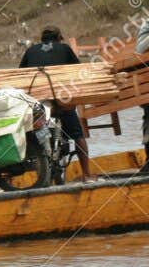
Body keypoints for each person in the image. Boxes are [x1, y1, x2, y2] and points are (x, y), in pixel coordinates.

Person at [19, 25, 97, 181]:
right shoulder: (65, 49)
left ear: (43, 39)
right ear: (58, 38)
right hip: (60, 101)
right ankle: (87, 174)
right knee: (78, 135)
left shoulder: (31, 50)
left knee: (29, 133)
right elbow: (78, 70)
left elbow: (20, 73)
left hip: (37, 103)